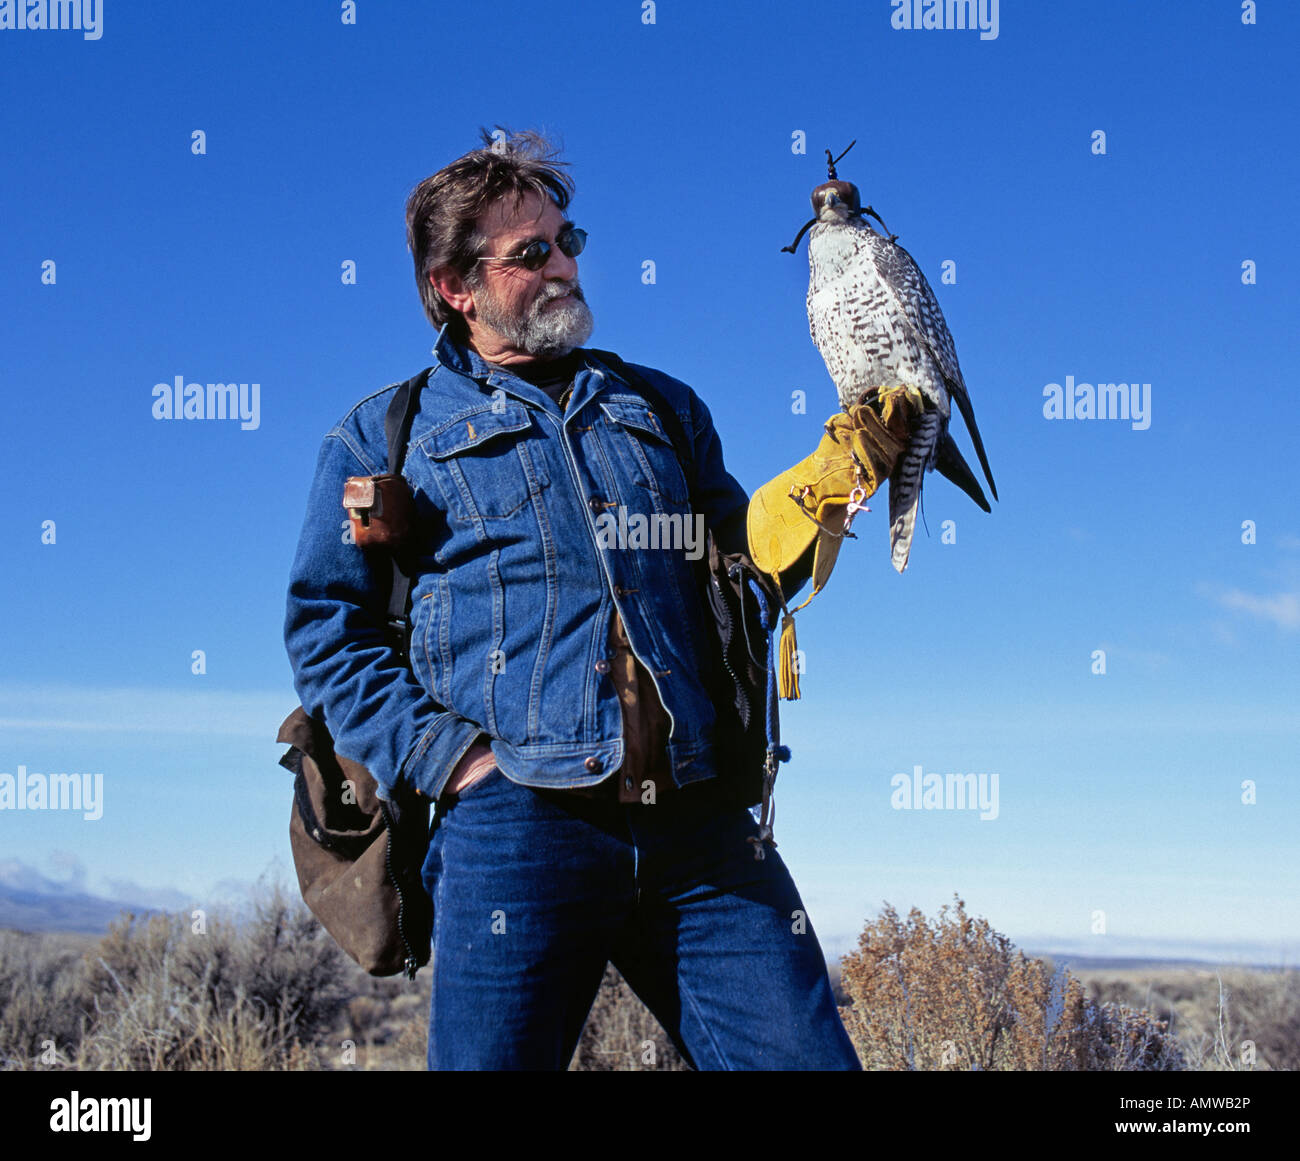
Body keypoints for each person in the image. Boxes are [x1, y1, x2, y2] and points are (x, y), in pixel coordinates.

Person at [284, 129, 902, 1070]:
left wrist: (829, 488)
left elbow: (742, 568)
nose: (566, 264)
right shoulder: (386, 432)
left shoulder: (658, 407)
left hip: (699, 822)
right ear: (456, 286)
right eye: (532, 253)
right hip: (516, 823)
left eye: (568, 239)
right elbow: (330, 634)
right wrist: (454, 763)